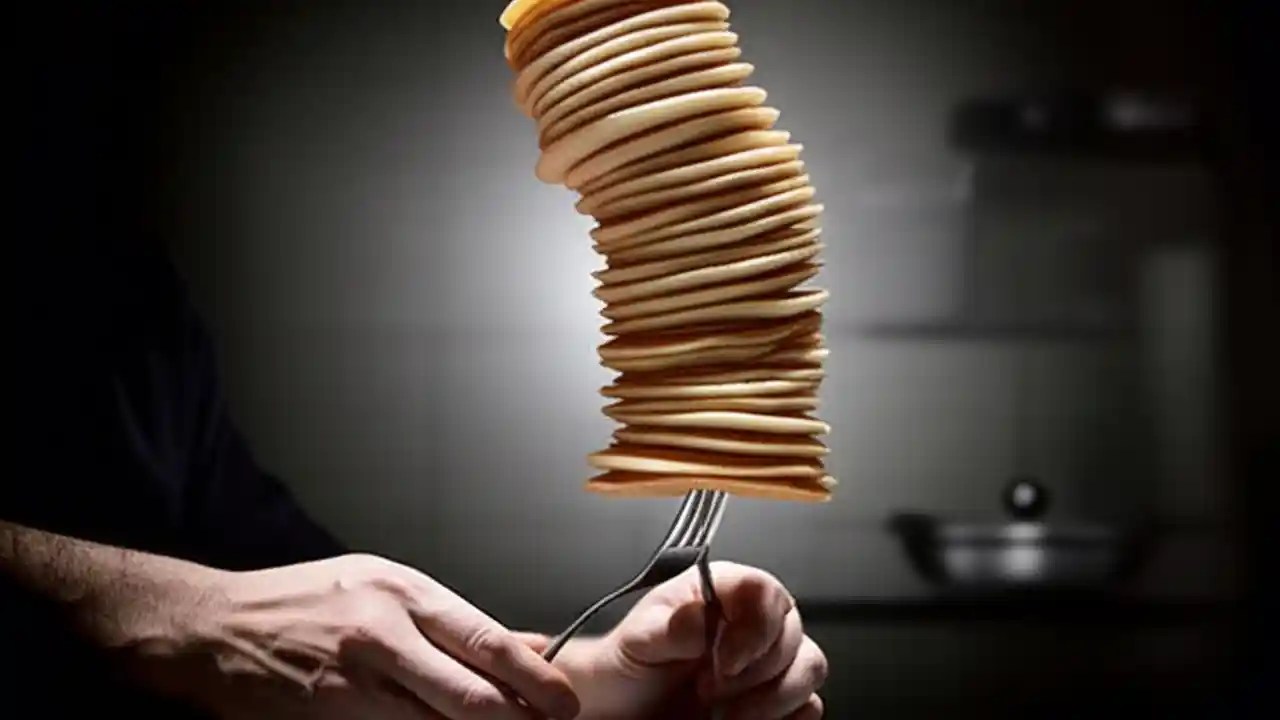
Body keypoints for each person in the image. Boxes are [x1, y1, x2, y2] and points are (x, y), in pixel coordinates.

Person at [8, 10, 827, 720]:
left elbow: (312, 635)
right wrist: (173, 615)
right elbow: (226, 621)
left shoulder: (117, 297)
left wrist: (601, 682)